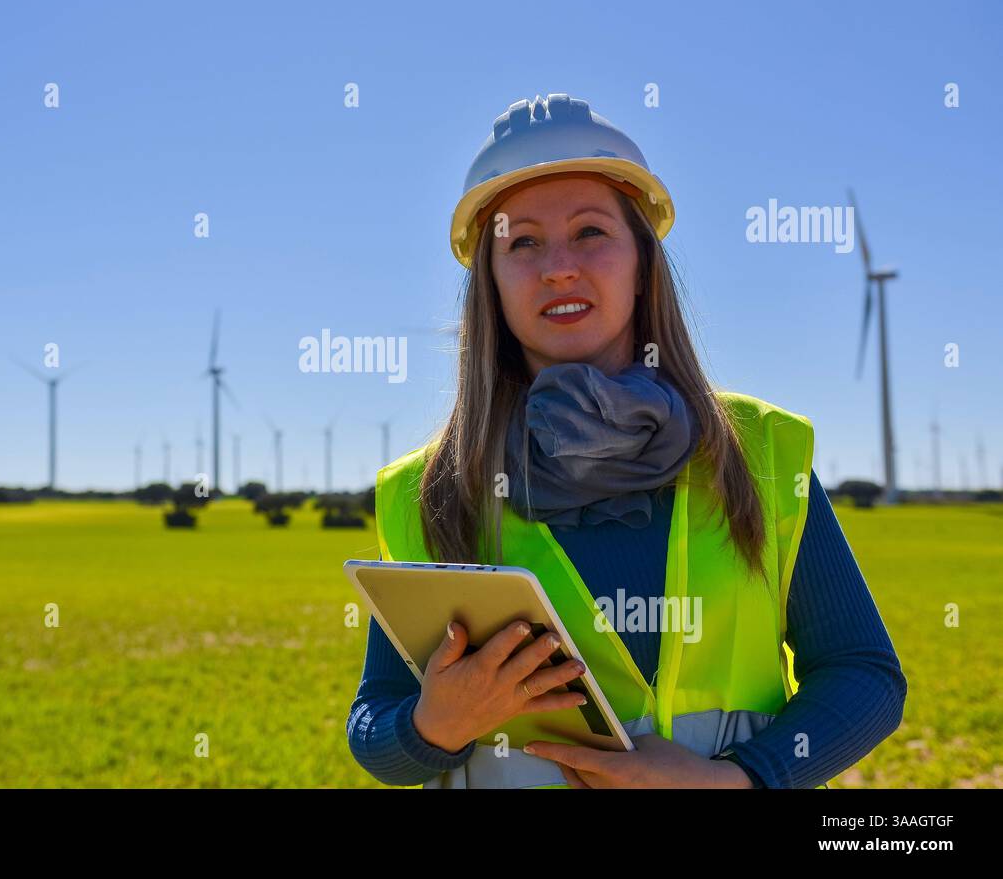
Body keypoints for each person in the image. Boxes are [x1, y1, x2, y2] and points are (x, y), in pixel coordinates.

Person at [347, 94, 906, 789]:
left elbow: (863, 674)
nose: (558, 267)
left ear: (643, 263)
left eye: (590, 232)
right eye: (521, 242)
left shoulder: (756, 453)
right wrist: (434, 724)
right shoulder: (432, 489)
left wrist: (738, 780)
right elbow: (374, 724)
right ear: (489, 283)